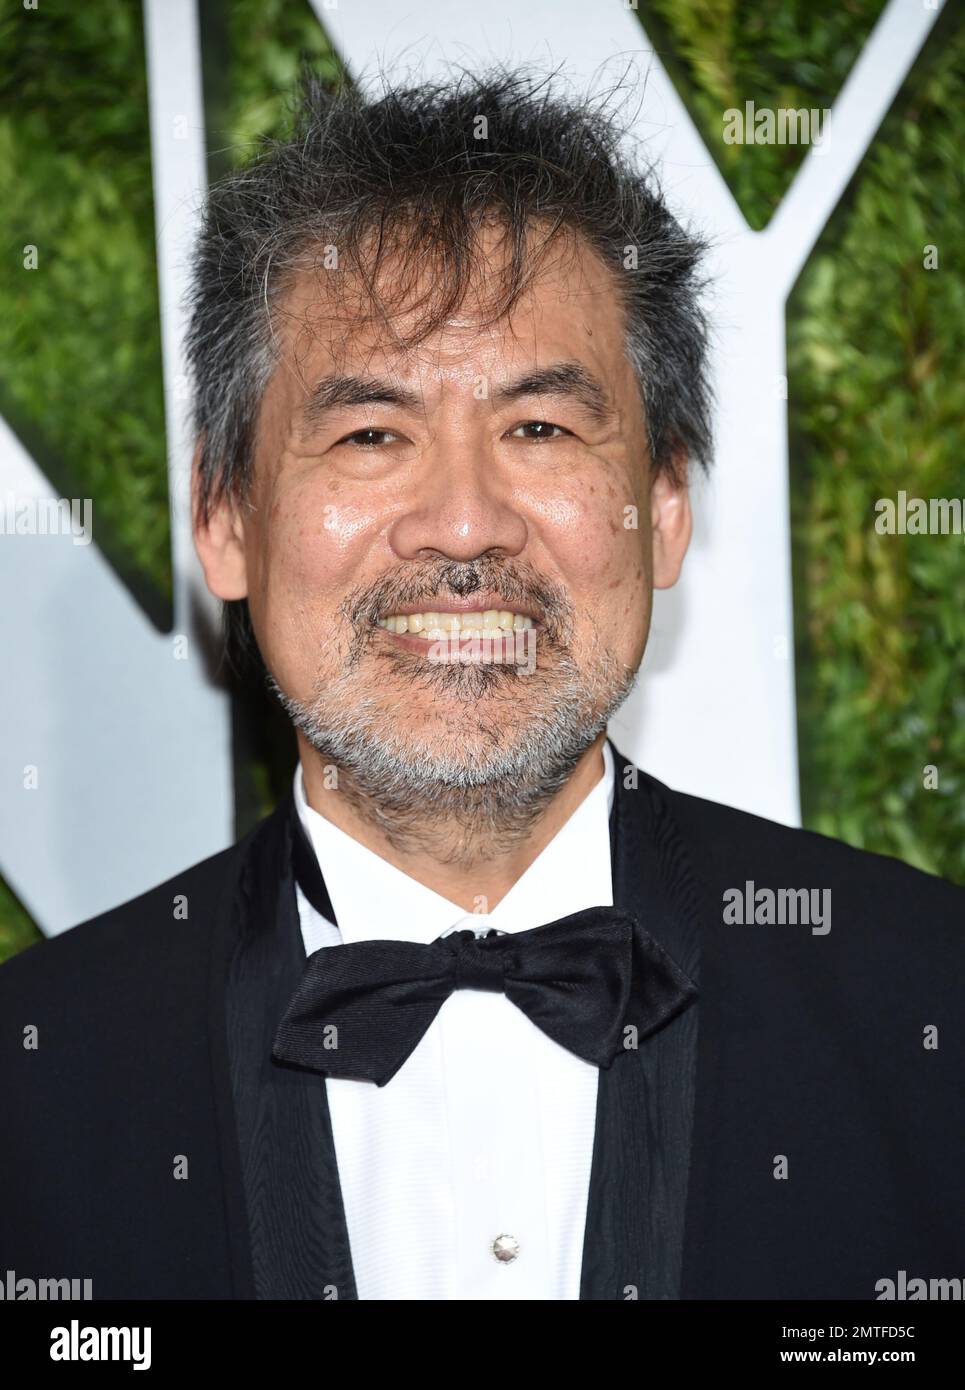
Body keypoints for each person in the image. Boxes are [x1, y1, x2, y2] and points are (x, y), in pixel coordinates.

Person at [1, 70, 962, 1302]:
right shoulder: (36, 1087)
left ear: (663, 510)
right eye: (370, 435)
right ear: (224, 518)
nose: (462, 524)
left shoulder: (928, 1016)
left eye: (540, 430)